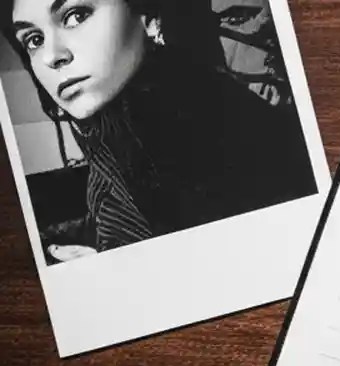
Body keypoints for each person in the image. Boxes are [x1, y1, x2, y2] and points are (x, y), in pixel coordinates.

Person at [2, 0, 317, 262]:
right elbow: (117, 209)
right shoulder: (110, 121)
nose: (51, 56)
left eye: (76, 15)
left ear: (149, 19)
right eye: (34, 39)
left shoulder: (187, 113)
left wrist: (119, 271)